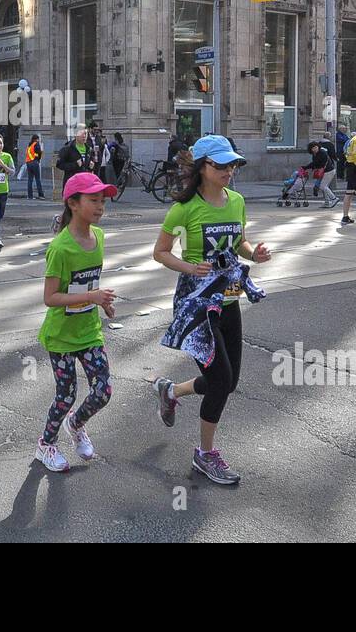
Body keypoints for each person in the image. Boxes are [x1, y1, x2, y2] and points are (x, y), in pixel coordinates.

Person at [151, 135, 271, 486]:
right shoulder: (184, 208)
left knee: (229, 381)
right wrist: (190, 268)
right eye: (220, 165)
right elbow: (160, 251)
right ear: (201, 167)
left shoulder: (236, 201)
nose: (229, 171)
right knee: (220, 380)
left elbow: (240, 243)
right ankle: (205, 455)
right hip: (197, 307)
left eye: (232, 164)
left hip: (229, 300)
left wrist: (255, 253)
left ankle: (171, 391)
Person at [34, 171, 117, 473]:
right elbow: (50, 297)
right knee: (65, 394)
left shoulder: (100, 237)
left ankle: (76, 424)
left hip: (89, 331)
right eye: (93, 201)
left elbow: (88, 284)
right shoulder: (60, 248)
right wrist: (92, 297)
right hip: (61, 337)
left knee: (103, 392)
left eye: (103, 201)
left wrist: (102, 302)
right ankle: (46, 444)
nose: (100, 207)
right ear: (73, 203)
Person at [306, 141, 339, 209]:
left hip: (329, 171)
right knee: (324, 187)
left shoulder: (322, 153)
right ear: (311, 149)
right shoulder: (315, 154)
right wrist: (306, 167)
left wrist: (311, 167)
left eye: (316, 147)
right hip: (325, 171)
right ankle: (327, 202)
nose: (315, 148)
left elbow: (320, 163)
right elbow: (314, 163)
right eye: (313, 148)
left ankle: (334, 198)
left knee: (323, 186)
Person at [24, 133, 45, 200]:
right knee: (37, 179)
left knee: (30, 180)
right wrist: (38, 160)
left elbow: (30, 154)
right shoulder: (36, 144)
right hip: (34, 163)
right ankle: (41, 195)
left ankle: (30, 196)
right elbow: (39, 153)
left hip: (28, 163)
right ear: (37, 139)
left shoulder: (29, 146)